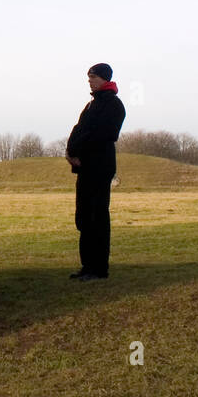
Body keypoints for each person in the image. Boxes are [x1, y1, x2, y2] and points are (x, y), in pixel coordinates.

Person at [65, 63, 126, 281]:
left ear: (104, 78)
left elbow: (103, 134)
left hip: (100, 167)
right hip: (85, 168)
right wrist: (70, 152)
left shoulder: (114, 106)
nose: (89, 81)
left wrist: (79, 149)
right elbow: (78, 129)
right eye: (88, 77)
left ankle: (99, 269)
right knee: (83, 216)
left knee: (97, 216)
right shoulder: (91, 105)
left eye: (93, 77)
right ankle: (87, 266)